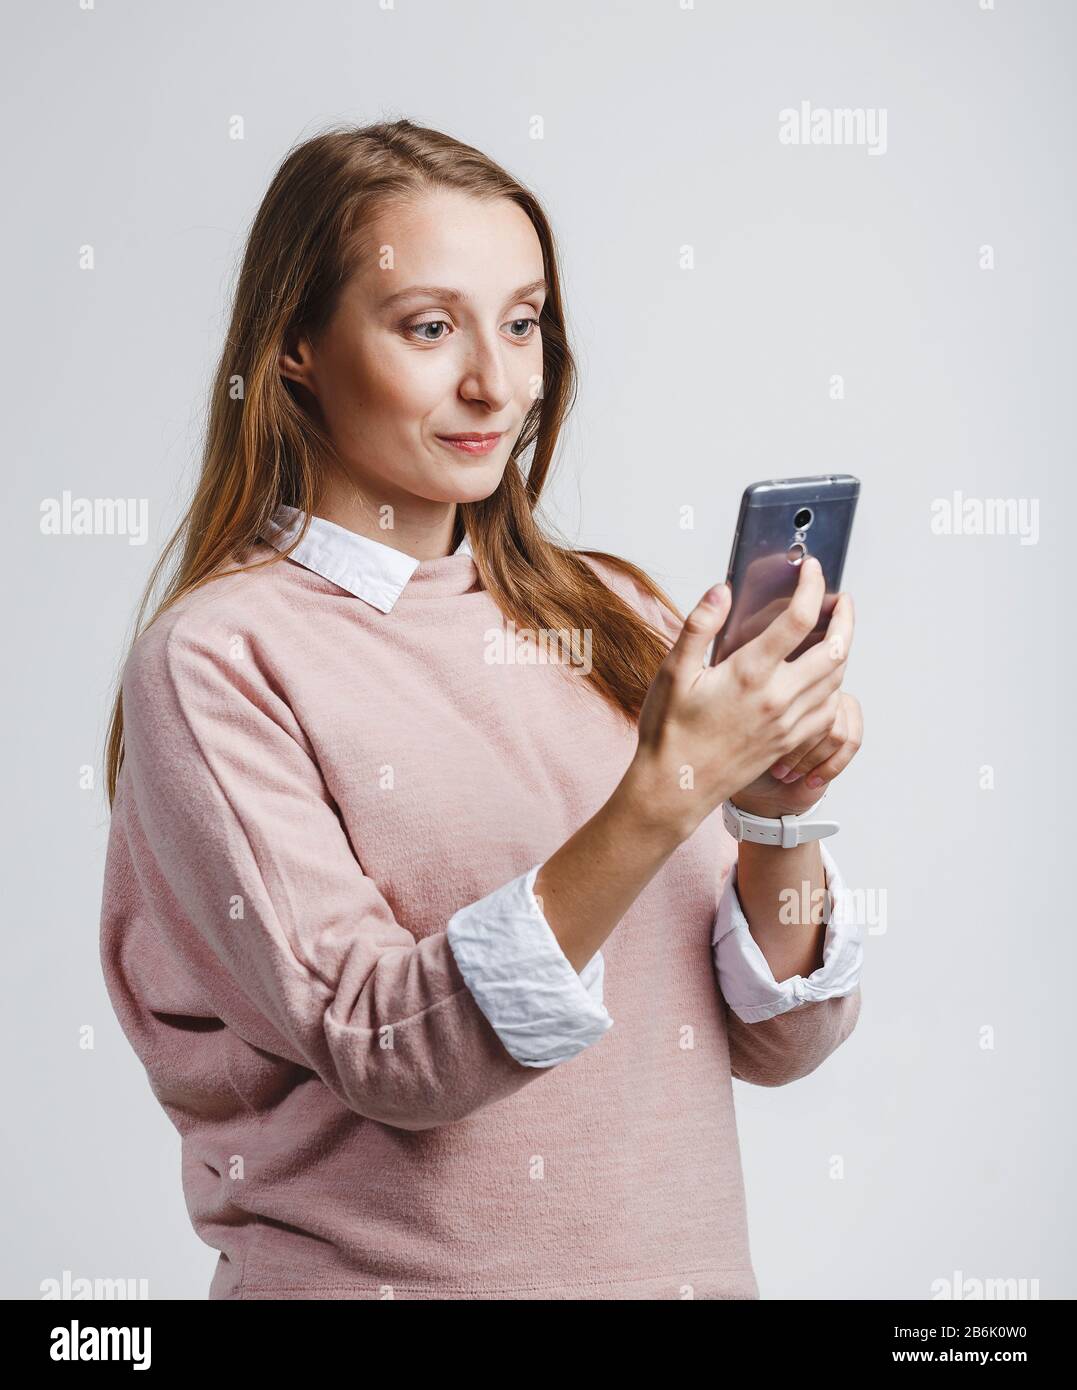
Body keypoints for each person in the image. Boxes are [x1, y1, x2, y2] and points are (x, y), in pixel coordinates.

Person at [99, 118, 864, 1301]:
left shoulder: (615, 613)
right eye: (429, 326)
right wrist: (664, 792)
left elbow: (783, 1041)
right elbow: (385, 1048)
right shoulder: (218, 661)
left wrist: (772, 810)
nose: (496, 384)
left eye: (522, 324)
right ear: (296, 344)